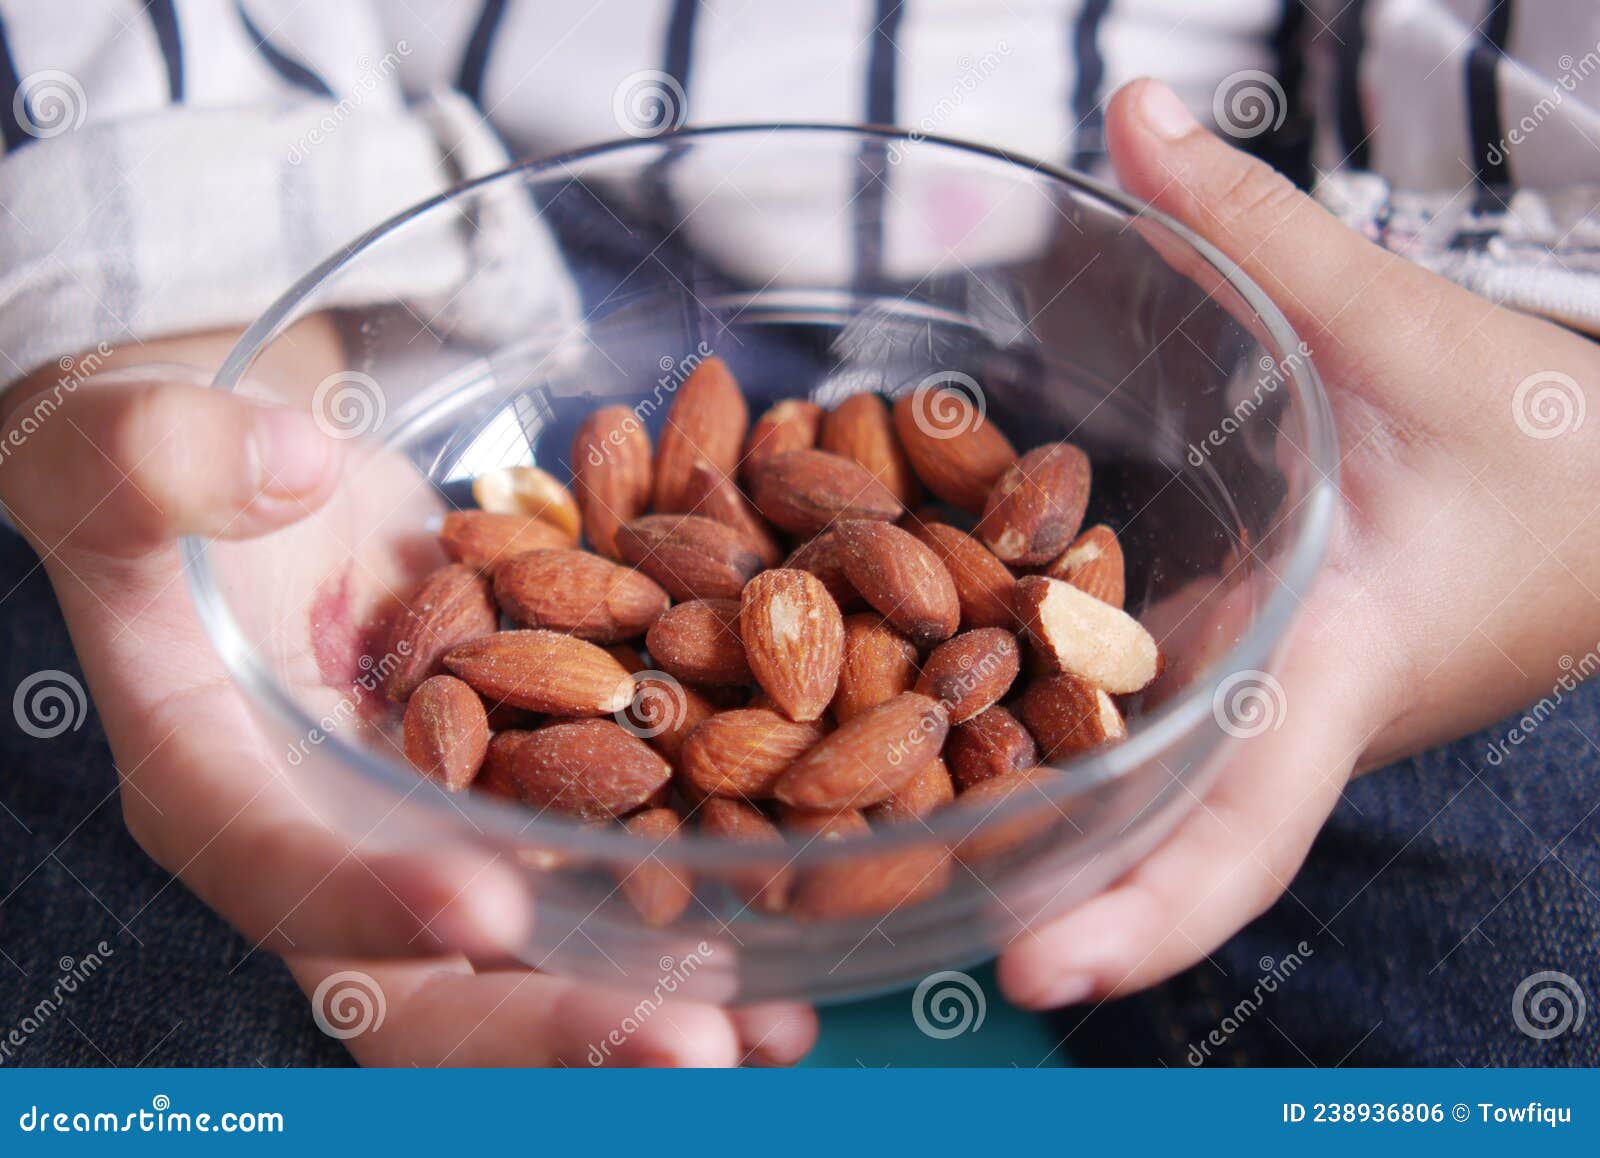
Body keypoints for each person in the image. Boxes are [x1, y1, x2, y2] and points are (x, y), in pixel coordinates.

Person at [0, 1, 1595, 1066]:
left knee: (1520, 968)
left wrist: (1545, 392)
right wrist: (183, 313)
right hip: (415, 281)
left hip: (1277, 350)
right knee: (176, 936)